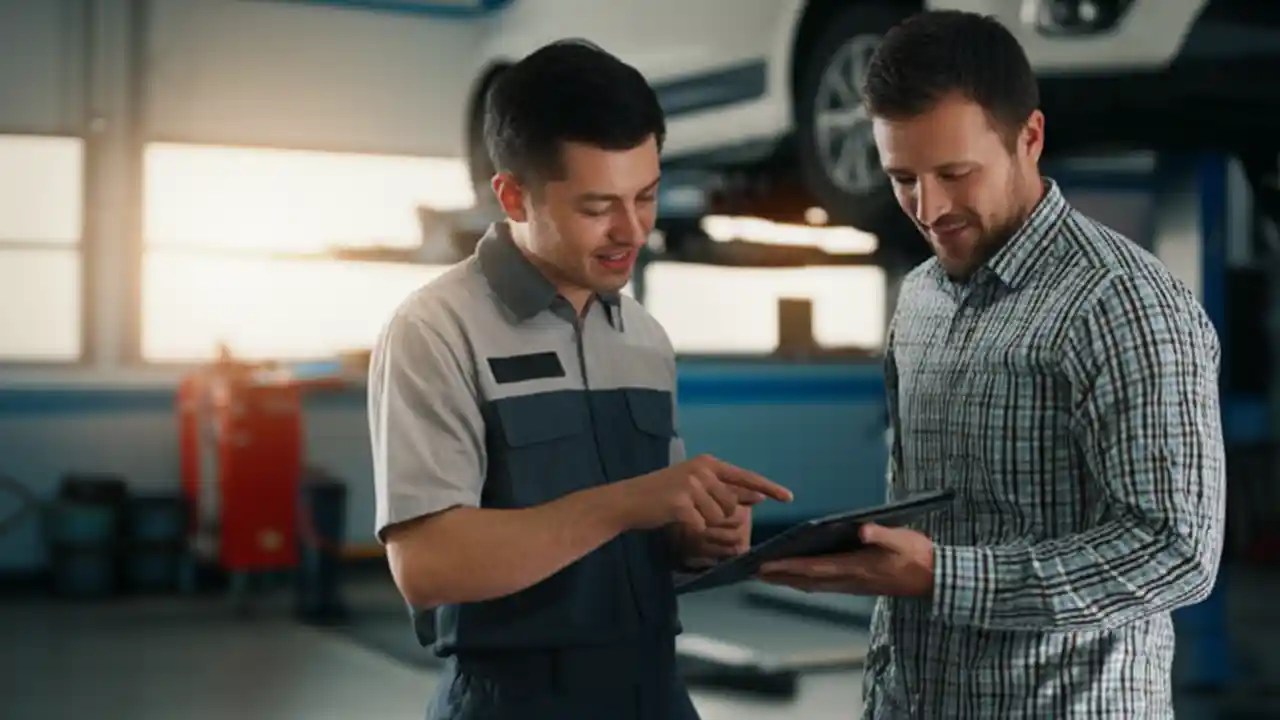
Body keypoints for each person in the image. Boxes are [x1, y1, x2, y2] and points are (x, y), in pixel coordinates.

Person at [759, 10, 1226, 718]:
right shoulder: (919, 298)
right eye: (902, 177)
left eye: (955, 173)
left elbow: (1176, 552)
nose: (928, 207)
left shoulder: (1122, 304)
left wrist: (945, 577)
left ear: (1029, 137)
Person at [367, 39, 792, 720]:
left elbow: (651, 533)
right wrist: (629, 501)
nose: (633, 231)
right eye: (598, 207)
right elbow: (428, 566)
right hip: (513, 700)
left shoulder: (645, 339)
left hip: (654, 687)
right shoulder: (437, 330)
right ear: (512, 196)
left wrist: (697, 539)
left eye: (646, 196)